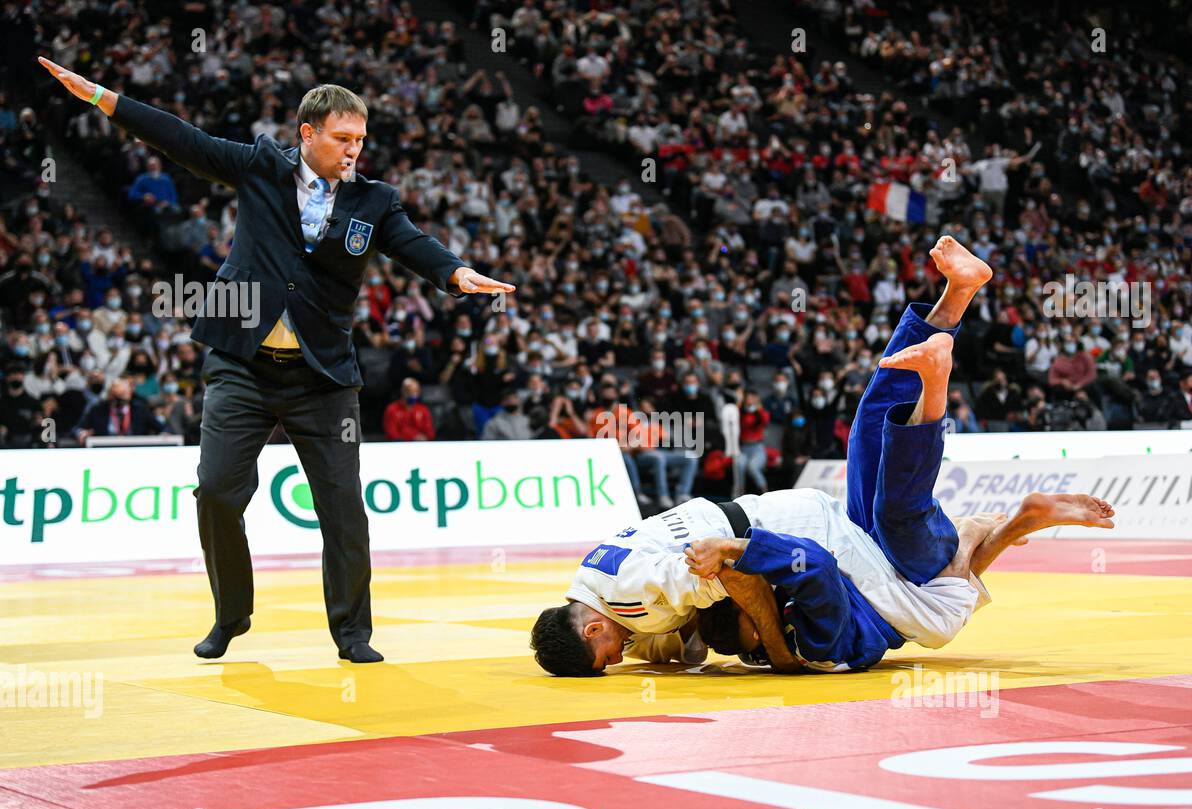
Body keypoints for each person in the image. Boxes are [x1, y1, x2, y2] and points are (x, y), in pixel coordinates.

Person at [40, 57, 515, 663]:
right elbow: (185, 140)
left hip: (323, 377)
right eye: (343, 139)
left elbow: (413, 245)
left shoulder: (375, 200)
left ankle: (352, 634)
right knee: (215, 491)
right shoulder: (261, 165)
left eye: (361, 140)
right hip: (242, 362)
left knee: (343, 506)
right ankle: (231, 615)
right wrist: (104, 98)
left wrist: (456, 272)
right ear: (308, 134)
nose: (353, 151)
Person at [531, 237, 1115, 675]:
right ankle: (957, 294)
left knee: (905, 528)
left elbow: (725, 571)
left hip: (779, 529)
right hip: (779, 513)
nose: (616, 659)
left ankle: (938, 389)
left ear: (589, 630)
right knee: (869, 427)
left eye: (604, 656)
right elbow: (678, 621)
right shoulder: (596, 574)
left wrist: (774, 646)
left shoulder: (629, 600)